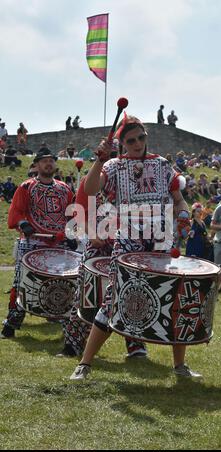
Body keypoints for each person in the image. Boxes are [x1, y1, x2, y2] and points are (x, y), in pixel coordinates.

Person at [70, 114, 202, 380]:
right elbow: (92, 189)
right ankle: (84, 364)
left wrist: (185, 215)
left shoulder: (164, 165)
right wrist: (99, 160)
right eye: (131, 140)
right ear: (122, 143)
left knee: (173, 295)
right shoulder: (114, 166)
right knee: (113, 299)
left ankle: (180, 366)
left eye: (141, 137)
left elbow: (178, 200)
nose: (137, 143)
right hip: (128, 239)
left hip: (162, 240)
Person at [58, 176, 147, 358]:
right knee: (86, 293)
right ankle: (73, 344)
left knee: (130, 292)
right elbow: (80, 209)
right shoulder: (91, 180)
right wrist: (90, 234)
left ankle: (135, 345)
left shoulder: (130, 181)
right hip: (96, 245)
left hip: (126, 244)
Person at [0, 148, 77, 340]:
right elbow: (16, 211)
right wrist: (23, 223)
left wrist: (72, 234)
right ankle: (12, 323)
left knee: (63, 283)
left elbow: (72, 215)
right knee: (22, 283)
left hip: (58, 242)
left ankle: (60, 319)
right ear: (36, 165)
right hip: (33, 241)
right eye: (44, 161)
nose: (48, 163)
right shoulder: (26, 187)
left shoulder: (65, 189)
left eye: (51, 160)